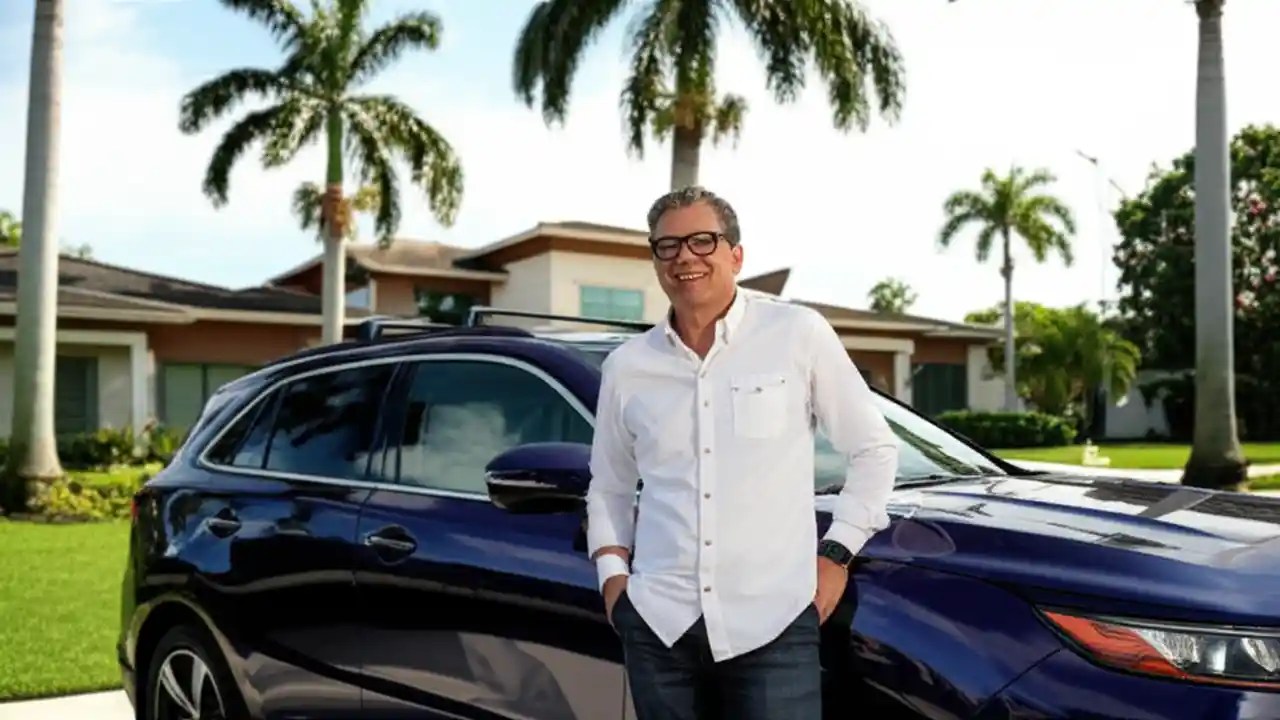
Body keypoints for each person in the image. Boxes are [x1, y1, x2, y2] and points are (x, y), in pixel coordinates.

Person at [584, 185, 900, 719]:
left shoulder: (796, 334)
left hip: (772, 626)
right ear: (656, 260)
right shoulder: (627, 368)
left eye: (702, 241)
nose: (685, 255)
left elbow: (873, 448)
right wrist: (614, 582)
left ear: (736, 255)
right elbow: (610, 485)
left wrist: (838, 552)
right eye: (668, 245)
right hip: (659, 627)